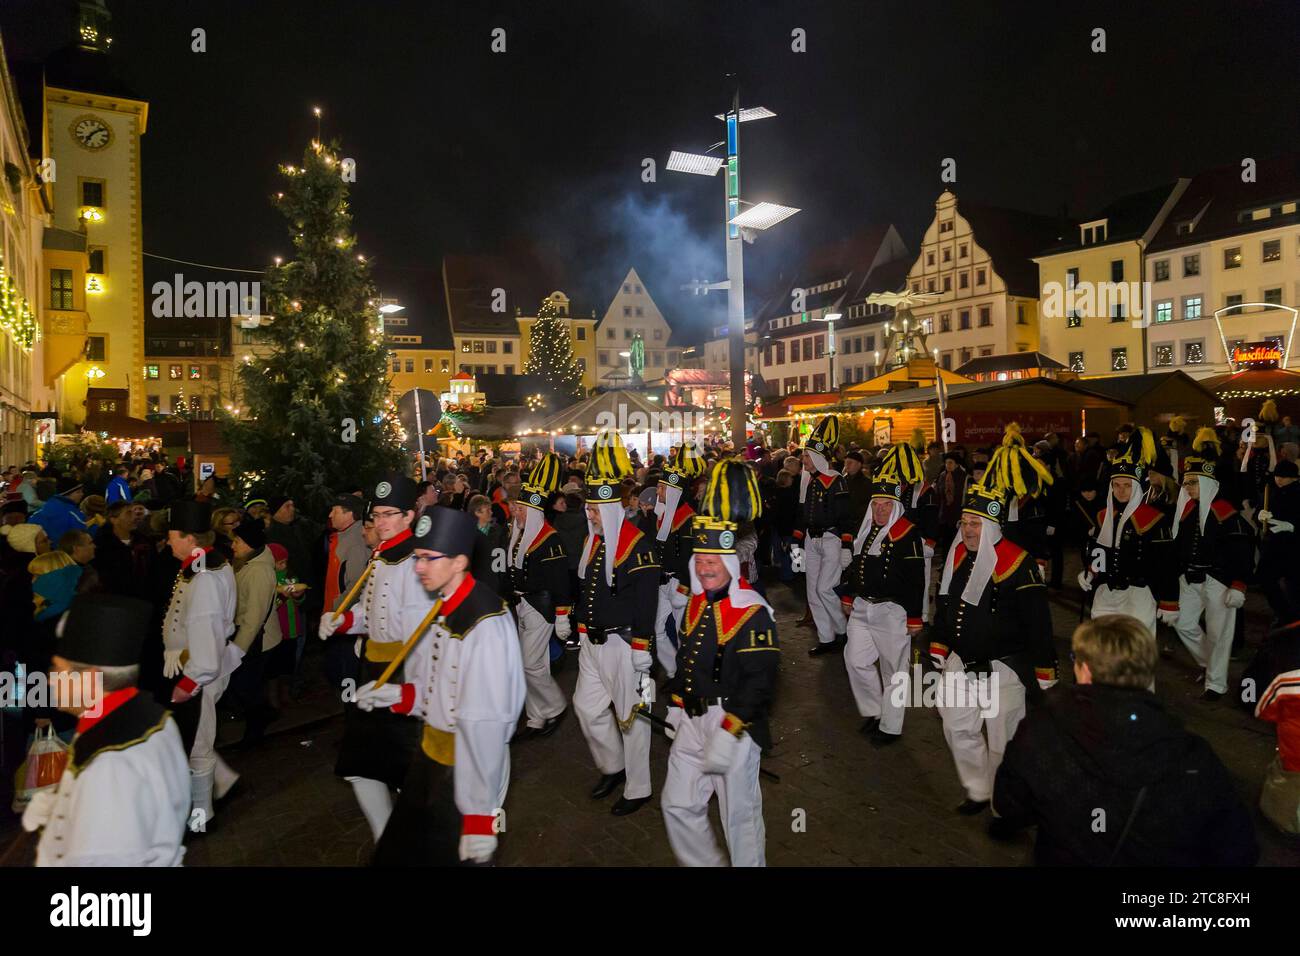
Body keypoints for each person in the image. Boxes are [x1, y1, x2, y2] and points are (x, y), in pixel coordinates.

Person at [992, 615, 1259, 865]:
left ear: (1084, 670)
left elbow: (1010, 805)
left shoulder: (1041, 731)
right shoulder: (1192, 755)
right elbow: (1237, 848)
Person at [364, 506, 526, 865]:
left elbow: (486, 723)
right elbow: (443, 683)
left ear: (459, 562)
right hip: (431, 759)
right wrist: (405, 695)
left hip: (466, 775)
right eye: (417, 557)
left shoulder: (484, 622)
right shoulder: (445, 604)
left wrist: (480, 816)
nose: (418, 567)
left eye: (428, 559)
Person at [662, 460, 779, 866]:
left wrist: (730, 732)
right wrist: (677, 708)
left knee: (739, 816)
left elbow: (760, 682)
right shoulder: (696, 605)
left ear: (729, 564)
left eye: (714, 561)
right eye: (700, 560)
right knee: (677, 804)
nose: (705, 566)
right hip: (692, 722)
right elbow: (686, 663)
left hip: (732, 724)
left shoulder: (752, 612)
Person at [21, 594, 191, 865]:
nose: (49, 679)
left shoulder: (109, 765)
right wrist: (61, 804)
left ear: (87, 678)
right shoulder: (143, 716)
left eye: (56, 669)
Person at [930, 477, 1058, 817]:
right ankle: (977, 789)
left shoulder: (1019, 562)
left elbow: (1038, 623)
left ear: (992, 526)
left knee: (1004, 744)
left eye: (976, 524)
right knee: (956, 725)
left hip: (1004, 669)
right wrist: (940, 644)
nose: (969, 531)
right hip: (961, 662)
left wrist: (1046, 671)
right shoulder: (959, 554)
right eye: (965, 523)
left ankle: (1006, 808)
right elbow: (948, 605)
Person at [317, 473, 434, 842]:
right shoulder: (382, 557)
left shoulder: (415, 562)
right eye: (376, 515)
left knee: (408, 773)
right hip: (374, 670)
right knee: (361, 767)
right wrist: (344, 621)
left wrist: (409, 692)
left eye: (388, 514)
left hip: (400, 676)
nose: (380, 522)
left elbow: (421, 634)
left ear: (409, 517)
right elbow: (376, 613)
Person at [573, 429, 661, 815]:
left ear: (609, 509)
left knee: (632, 718)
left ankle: (639, 787)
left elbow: (646, 601)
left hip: (623, 646)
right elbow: (586, 588)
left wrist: (642, 647)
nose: (589, 515)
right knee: (587, 708)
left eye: (594, 510)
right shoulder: (595, 540)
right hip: (592, 644)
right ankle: (613, 765)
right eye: (588, 509)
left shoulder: (637, 545)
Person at [160, 499, 240, 833]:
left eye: (172, 536)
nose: (168, 542)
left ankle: (201, 816)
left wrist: (189, 681)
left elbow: (206, 635)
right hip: (192, 665)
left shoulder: (205, 576)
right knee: (196, 739)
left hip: (199, 670)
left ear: (190, 538)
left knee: (198, 745)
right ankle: (222, 784)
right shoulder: (201, 564)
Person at [839, 450, 925, 745]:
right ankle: (875, 710)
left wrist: (915, 616)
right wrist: (849, 595)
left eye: (886, 506)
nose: (880, 512)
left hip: (892, 611)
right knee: (855, 659)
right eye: (876, 506)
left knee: (894, 671)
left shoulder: (907, 534)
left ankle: (891, 726)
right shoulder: (867, 531)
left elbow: (917, 579)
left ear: (896, 507)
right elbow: (856, 565)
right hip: (864, 606)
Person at [1169, 429, 1254, 701]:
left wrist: (1239, 584)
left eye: (1193, 483)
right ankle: (1210, 666)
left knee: (1220, 634)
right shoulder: (1188, 511)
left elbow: (1243, 550)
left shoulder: (1226, 513)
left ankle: (1216, 684)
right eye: (1186, 483)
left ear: (1206, 483)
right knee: (1184, 623)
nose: (1188, 488)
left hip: (1218, 581)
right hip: (1190, 579)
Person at [1077, 427, 1177, 643]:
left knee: (1137, 657)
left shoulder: (1155, 519)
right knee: (1103, 655)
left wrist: (1170, 600)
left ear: (1138, 488)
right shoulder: (1104, 516)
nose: (1121, 491)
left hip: (1138, 596)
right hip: (1106, 593)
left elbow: (1166, 563)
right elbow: (1098, 551)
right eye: (1116, 485)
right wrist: (1090, 571)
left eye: (1127, 486)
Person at [505, 454, 570, 740]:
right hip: (523, 604)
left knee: (528, 662)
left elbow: (560, 581)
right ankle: (536, 717)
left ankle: (555, 706)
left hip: (541, 606)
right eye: (516, 509)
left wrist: (562, 615)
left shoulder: (549, 538)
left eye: (520, 510)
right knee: (536, 662)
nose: (516, 514)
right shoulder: (520, 535)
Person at [796, 415, 854, 657]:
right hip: (812, 539)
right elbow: (803, 512)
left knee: (824, 588)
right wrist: (797, 542)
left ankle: (843, 631)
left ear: (819, 457)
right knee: (813, 592)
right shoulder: (810, 481)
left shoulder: (836, 481)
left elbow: (845, 516)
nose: (804, 460)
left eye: (807, 456)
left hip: (831, 540)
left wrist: (846, 546)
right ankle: (826, 637)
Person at [227, 517, 282, 746]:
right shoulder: (246, 563)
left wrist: (237, 649)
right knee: (247, 686)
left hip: (256, 640)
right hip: (249, 637)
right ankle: (262, 715)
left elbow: (254, 618)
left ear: (249, 544)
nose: (233, 546)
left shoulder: (258, 571)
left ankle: (255, 730)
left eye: (237, 541)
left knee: (246, 687)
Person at [651, 441, 704, 678]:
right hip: (663, 583)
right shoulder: (663, 516)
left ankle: (689, 675)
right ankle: (674, 672)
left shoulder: (688, 519)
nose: (658, 492)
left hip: (680, 585)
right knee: (657, 629)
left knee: (685, 632)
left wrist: (684, 586)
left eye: (662, 489)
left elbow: (690, 558)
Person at [30, 477, 87, 544]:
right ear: (67, 494)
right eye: (78, 492)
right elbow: (83, 537)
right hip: (65, 552)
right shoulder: (73, 514)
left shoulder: (38, 513)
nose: (82, 494)